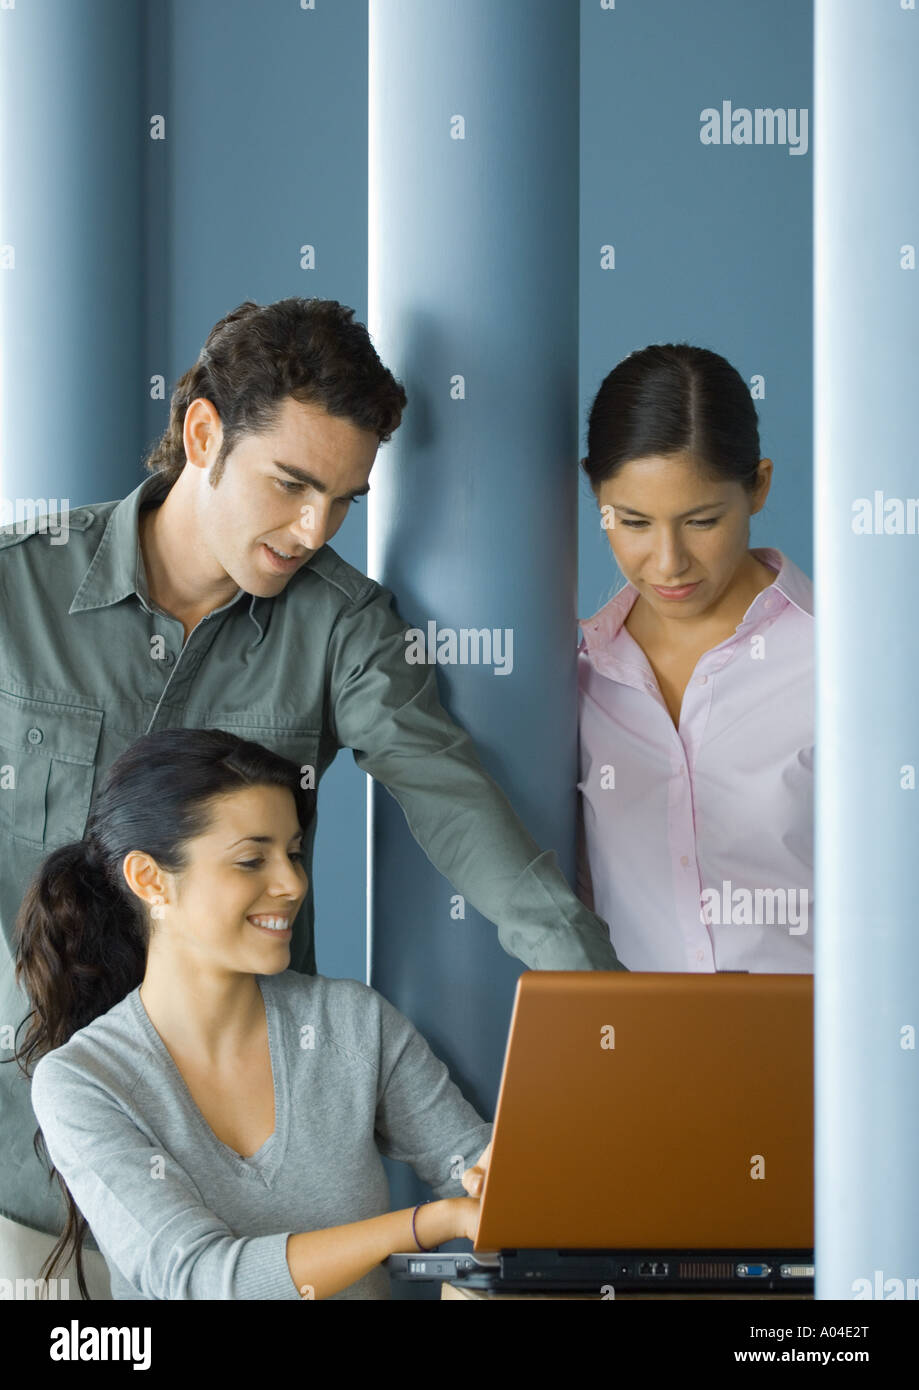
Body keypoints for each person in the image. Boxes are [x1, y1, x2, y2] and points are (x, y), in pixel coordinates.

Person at [0, 297, 622, 1291]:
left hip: (261, 1203)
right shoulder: (13, 592)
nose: (312, 528)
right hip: (27, 1174)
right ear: (203, 432)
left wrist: (600, 1002)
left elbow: (456, 807)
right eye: (290, 484)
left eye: (343, 499)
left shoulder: (341, 626)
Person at [15, 728, 493, 1300]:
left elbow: (474, 1170)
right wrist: (426, 1224)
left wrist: (504, 1178)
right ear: (150, 880)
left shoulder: (353, 1023)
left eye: (293, 853)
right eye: (251, 860)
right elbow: (198, 1279)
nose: (292, 883)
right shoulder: (83, 1080)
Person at [576, 343, 813, 972]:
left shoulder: (843, 660)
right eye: (632, 522)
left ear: (758, 486)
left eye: (702, 521)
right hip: (633, 1055)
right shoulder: (575, 671)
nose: (668, 562)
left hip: (818, 1058)